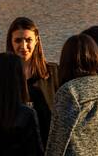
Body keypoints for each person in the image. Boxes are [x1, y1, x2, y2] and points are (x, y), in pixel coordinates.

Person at [6, 17, 59, 148]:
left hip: (48, 146)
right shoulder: (4, 76)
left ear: (36, 40)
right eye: (18, 40)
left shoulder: (54, 72)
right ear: (10, 42)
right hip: (17, 149)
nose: (23, 46)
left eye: (28, 40)